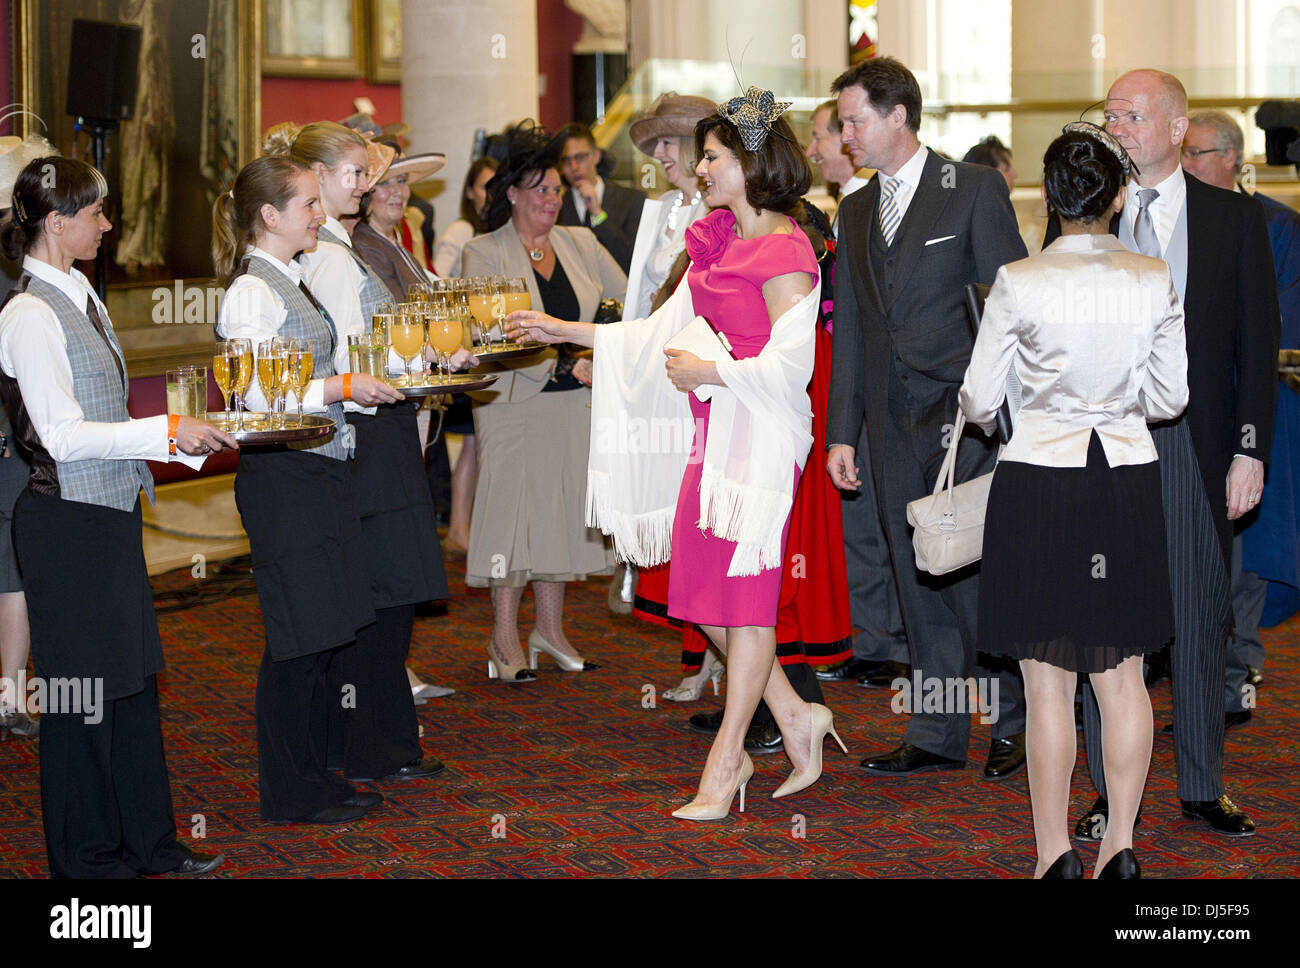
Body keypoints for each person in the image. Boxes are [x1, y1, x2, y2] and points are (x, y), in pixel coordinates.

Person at [510, 89, 844, 819]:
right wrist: (560, 330)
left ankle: (726, 763)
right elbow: (657, 331)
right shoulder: (719, 240)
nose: (700, 169)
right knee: (703, 594)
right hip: (713, 431)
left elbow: (793, 368)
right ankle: (797, 715)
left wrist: (711, 372)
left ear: (749, 164)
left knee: (746, 605)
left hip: (761, 439)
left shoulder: (787, 249)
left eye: (713, 157)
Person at [1057, 70, 1279, 841]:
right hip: (1101, 443)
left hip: (1194, 443)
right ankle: (1106, 791)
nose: (1117, 127)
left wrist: (1250, 451)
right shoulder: (1085, 213)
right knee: (1104, 622)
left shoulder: (1233, 219)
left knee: (1198, 617)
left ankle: (1201, 785)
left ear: (1178, 129)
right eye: (1111, 115)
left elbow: (1257, 349)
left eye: (1133, 115)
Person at [962, 126, 1189, 879]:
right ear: (1118, 196)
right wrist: (1114, 407)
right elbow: (1171, 398)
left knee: (1046, 681)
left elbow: (979, 399)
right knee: (1122, 675)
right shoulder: (1153, 277)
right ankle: (1120, 845)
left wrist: (1036, 407)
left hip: (1039, 479)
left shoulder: (1018, 280)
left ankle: (1054, 853)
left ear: (1050, 200)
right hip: (1124, 479)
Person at [0, 155, 233, 875]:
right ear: (56, 222)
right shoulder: (28, 313)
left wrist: (171, 440)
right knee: (79, 698)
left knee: (130, 684)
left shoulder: (79, 294)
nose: (107, 225)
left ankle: (148, 844)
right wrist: (166, 431)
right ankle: (87, 862)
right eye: (95, 213)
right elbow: (62, 437)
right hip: (64, 524)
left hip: (105, 514)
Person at [825, 57, 1029, 779]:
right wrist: (842, 432)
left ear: (898, 116)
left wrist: (998, 414)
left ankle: (1016, 723)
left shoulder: (971, 189)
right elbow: (852, 328)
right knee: (918, 580)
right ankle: (938, 731)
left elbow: (1009, 307)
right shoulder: (854, 209)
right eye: (842, 124)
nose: (845, 136)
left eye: (854, 121)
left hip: (964, 419)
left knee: (979, 574)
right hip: (887, 421)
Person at [214, 154, 405, 823]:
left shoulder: (289, 277)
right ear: (270, 215)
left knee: (322, 635)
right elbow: (253, 394)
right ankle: (290, 791)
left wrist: (355, 387)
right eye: (308, 205)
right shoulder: (251, 291)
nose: (320, 214)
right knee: (298, 641)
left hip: (316, 470)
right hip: (282, 478)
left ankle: (314, 774)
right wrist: (342, 387)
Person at [265, 121, 450, 784]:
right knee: (382, 599)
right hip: (367, 441)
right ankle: (372, 744)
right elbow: (347, 360)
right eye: (355, 173)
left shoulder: (340, 248)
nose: (367, 183)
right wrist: (419, 365)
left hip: (374, 434)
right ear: (316, 177)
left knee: (384, 600)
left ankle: (375, 741)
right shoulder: (333, 258)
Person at [461, 121, 624, 682]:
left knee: (559, 514)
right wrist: (563, 361)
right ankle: (503, 636)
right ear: (511, 193)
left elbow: (628, 303)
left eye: (556, 190)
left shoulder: (581, 243)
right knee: (511, 518)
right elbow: (489, 333)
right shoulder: (483, 252)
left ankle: (549, 631)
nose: (552, 199)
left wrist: (598, 355)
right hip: (512, 400)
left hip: (572, 403)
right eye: (540, 190)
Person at [1181, 109, 1300, 722]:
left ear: (1232, 158)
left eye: (1197, 153)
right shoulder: (1174, 218)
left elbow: (1274, 327)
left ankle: (1235, 673)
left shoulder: (1274, 224)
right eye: (1184, 153)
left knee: (1245, 547)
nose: (1187, 164)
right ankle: (1196, 672)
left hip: (1254, 408)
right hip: (1185, 412)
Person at [804, 99, 908, 689]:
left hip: (898, 389)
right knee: (861, 521)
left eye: (834, 131)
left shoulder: (874, 204)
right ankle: (871, 639)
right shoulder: (846, 210)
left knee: (888, 523)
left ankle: (889, 642)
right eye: (832, 130)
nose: (823, 145)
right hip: (852, 384)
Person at [607, 93, 714, 623]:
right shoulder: (661, 208)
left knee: (696, 497)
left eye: (669, 142)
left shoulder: (722, 211)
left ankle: (710, 628)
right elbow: (639, 297)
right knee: (659, 484)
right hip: (651, 366)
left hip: (699, 372)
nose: (660, 155)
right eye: (655, 145)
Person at [353, 146, 445, 300]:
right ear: (365, 193)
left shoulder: (390, 242)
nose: (397, 191)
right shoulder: (367, 248)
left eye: (402, 181)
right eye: (384, 183)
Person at [556, 122, 646, 273]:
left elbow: (631, 258)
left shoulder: (632, 199)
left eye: (580, 157)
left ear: (596, 156)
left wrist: (597, 214)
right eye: (566, 160)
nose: (574, 166)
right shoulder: (557, 206)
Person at [433, 156, 498, 278]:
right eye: (485, 188)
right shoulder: (460, 230)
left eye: (496, 188)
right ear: (470, 192)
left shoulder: (504, 233)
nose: (491, 195)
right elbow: (437, 279)